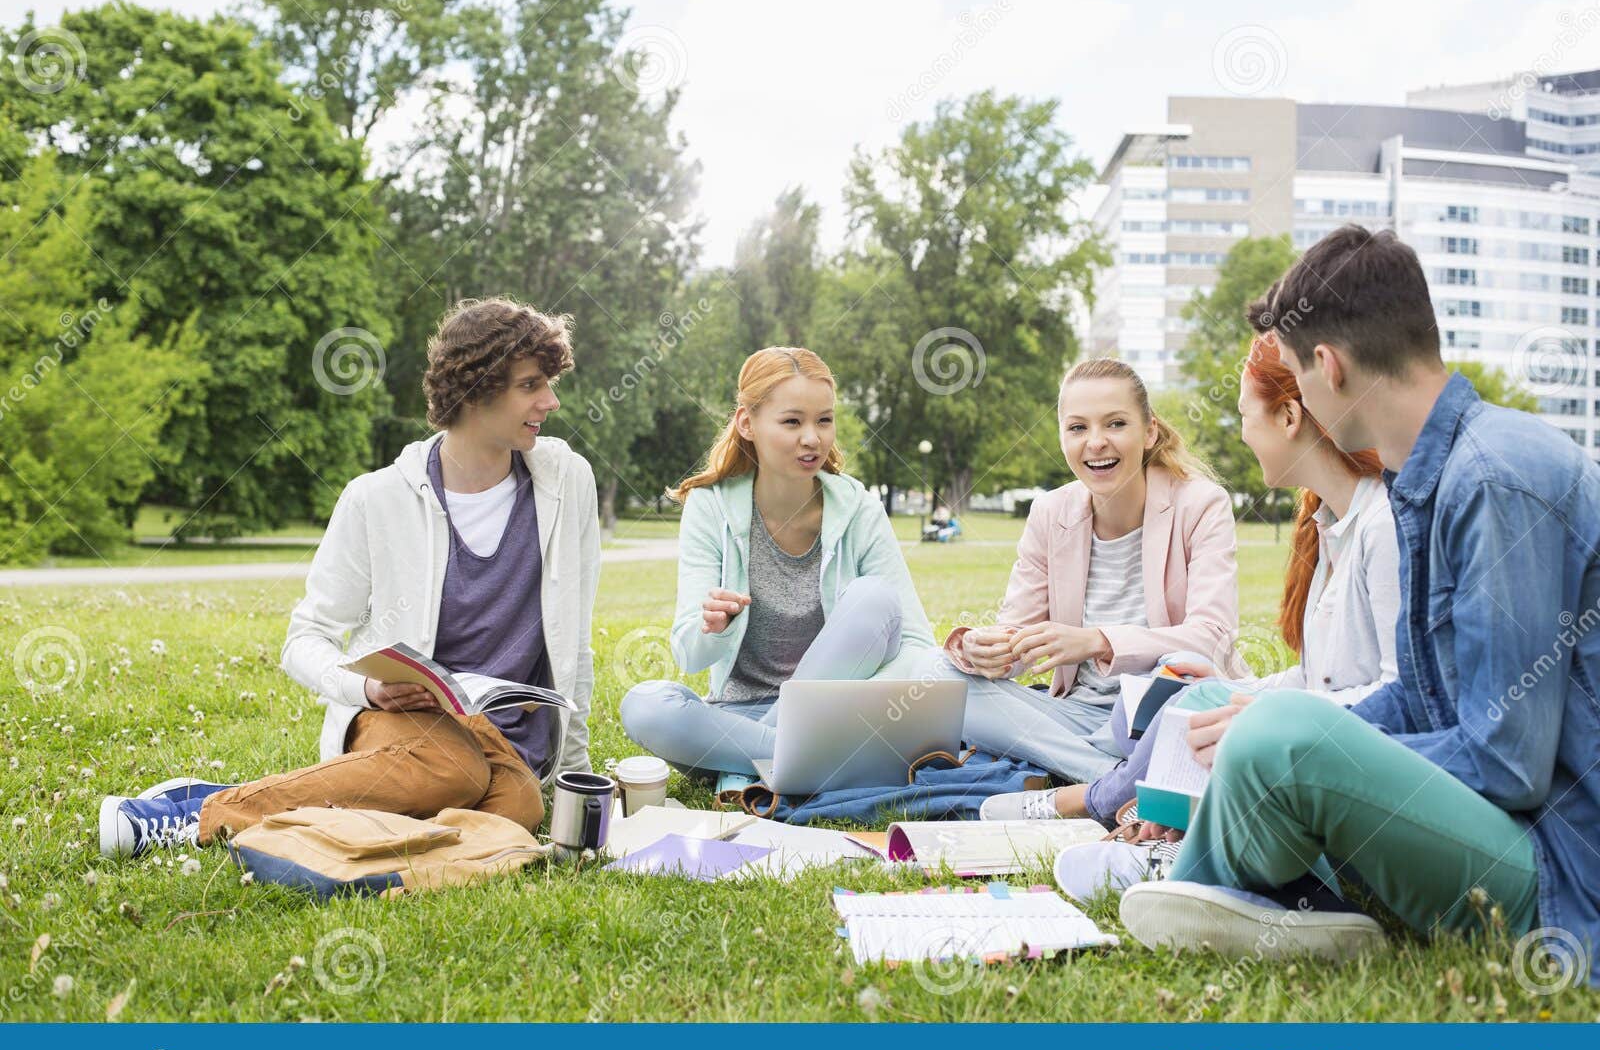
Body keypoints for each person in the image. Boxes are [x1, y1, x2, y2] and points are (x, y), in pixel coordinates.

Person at [1119, 226, 1600, 981]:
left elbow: (1507, 762)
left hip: (1560, 872)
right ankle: (1243, 892)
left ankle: (1213, 888)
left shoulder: (1495, 477)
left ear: (1329, 367)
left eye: (1297, 377)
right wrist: (1312, 735)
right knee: (1266, 727)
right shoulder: (1431, 480)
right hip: (1503, 831)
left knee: (1284, 731)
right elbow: (1418, 695)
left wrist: (1313, 744)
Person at [100, 298, 601, 857]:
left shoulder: (566, 482)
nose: (550, 401)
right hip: (405, 721)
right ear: (477, 390)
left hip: (506, 741)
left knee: (518, 812)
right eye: (531, 385)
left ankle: (282, 817)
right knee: (454, 774)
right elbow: (304, 639)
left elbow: (572, 642)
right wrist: (368, 688)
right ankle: (201, 814)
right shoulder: (376, 498)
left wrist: (576, 778)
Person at [1019, 313, 1400, 893]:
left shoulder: (1382, 527)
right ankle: (1168, 826)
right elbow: (1325, 679)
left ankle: (1157, 829)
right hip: (1297, 739)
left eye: (1246, 416)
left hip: (1360, 767)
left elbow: (1407, 698)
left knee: (1220, 720)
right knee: (1197, 695)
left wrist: (1264, 715)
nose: (1244, 434)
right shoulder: (1331, 526)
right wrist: (1248, 694)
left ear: (1290, 417)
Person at [620, 347, 935, 782]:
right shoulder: (710, 508)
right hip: (734, 718)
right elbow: (689, 654)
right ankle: (807, 761)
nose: (813, 438)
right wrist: (714, 627)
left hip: (833, 713)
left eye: (824, 420)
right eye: (792, 421)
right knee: (644, 704)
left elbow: (917, 643)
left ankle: (757, 769)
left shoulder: (859, 507)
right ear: (747, 424)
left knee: (876, 598)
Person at [928, 358, 1240, 785]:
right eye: (1077, 428)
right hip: (1073, 718)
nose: (1096, 443)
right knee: (932, 674)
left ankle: (1080, 772)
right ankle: (1111, 778)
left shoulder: (1201, 504)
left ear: (1149, 431)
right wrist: (985, 650)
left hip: (1158, 712)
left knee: (1183, 666)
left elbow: (1212, 637)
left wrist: (1097, 641)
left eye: (1115, 424)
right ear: (1062, 437)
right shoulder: (1050, 512)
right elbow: (1017, 636)